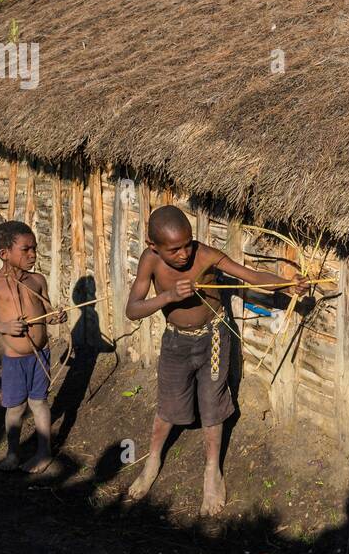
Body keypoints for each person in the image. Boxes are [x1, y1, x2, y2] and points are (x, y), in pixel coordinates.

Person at [124, 205, 308, 516]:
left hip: (213, 337)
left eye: (188, 244)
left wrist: (287, 285)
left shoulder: (206, 255)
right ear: (153, 246)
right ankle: (152, 458)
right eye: (175, 249)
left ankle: (212, 471)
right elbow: (133, 309)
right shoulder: (150, 261)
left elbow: (250, 277)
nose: (184, 254)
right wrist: (168, 297)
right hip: (175, 340)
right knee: (167, 405)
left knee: (212, 404)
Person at [0, 220, 65, 473]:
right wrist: (5, 327)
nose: (33, 254)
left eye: (34, 248)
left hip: (41, 355)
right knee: (15, 408)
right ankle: (13, 453)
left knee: (39, 403)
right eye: (26, 249)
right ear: (5, 254)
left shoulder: (37, 280)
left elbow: (47, 311)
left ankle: (43, 453)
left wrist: (55, 317)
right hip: (15, 359)